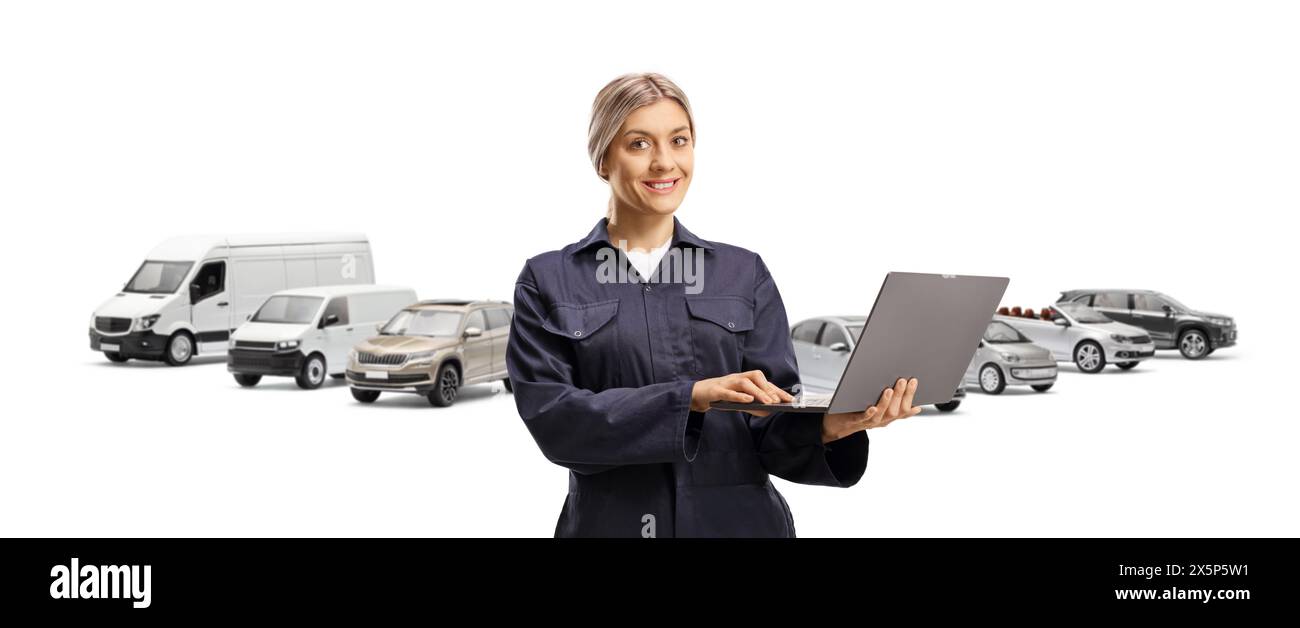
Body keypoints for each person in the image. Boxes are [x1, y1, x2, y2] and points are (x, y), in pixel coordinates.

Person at [506, 72, 920, 538]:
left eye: (679, 141)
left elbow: (769, 427)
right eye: (639, 144)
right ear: (603, 158)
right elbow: (556, 421)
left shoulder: (743, 274)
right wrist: (690, 398)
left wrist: (830, 427)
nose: (665, 163)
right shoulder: (548, 280)